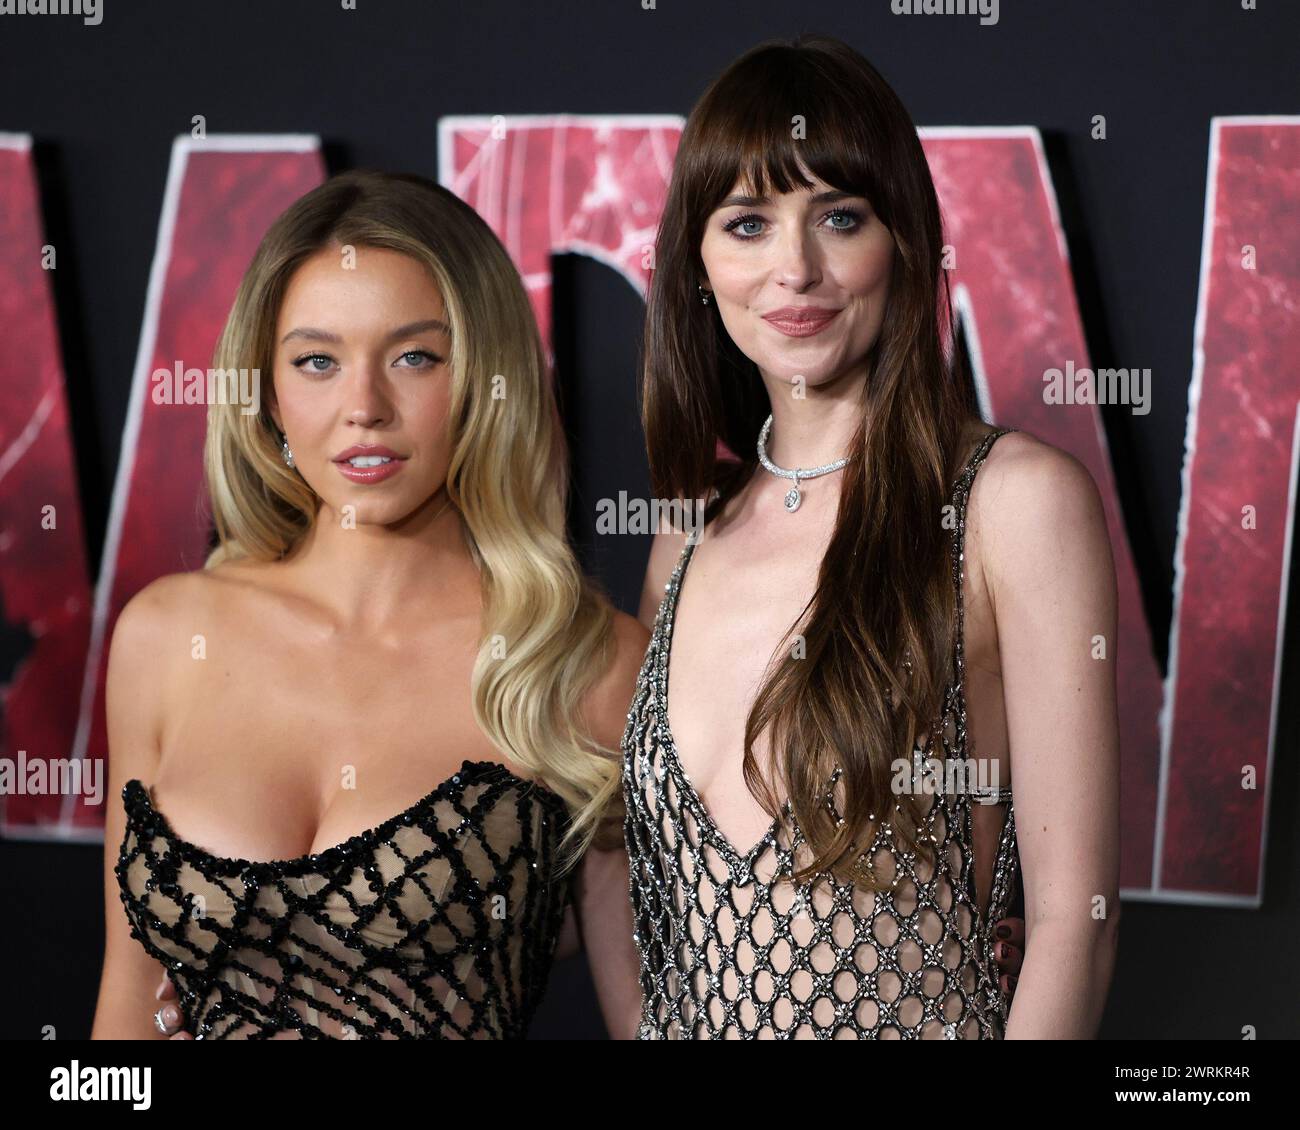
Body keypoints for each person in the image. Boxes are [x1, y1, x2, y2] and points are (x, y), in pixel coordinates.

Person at [623, 34, 1120, 1038]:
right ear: (697, 260)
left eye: (838, 217)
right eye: (748, 223)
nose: (794, 268)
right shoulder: (684, 534)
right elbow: (633, 893)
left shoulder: (1010, 501)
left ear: (904, 240)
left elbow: (1077, 923)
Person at [92, 170, 645, 1039]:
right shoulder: (165, 637)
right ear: (266, 392)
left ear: (487, 379)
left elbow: (647, 1021)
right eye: (317, 360)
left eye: (415, 357)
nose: (363, 409)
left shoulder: (585, 664)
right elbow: (123, 1017)